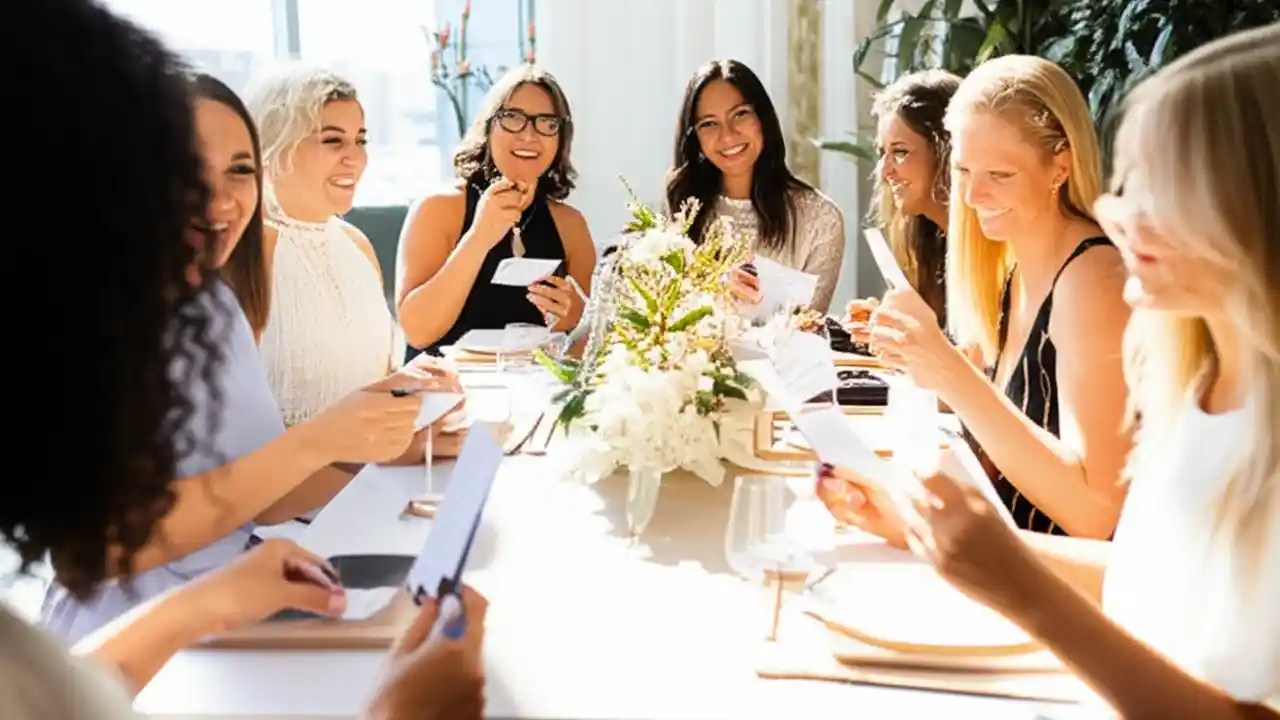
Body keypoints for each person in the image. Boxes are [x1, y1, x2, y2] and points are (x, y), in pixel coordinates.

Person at [6, 2, 484, 718]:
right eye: (186, 171)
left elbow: (257, 481)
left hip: (229, 603)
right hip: (142, 645)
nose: (224, 200)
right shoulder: (88, 323)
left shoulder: (212, 308)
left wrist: (378, 450)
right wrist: (325, 439)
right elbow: (103, 546)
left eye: (239, 170)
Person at [822, 23, 1279, 717]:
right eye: (1126, 185)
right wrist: (910, 523)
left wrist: (1021, 588)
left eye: (1159, 191)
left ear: (1251, 212)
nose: (1117, 216)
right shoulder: (1203, 392)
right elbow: (1137, 582)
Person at [831, 56, 1132, 537]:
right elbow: (1000, 433)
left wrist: (949, 372)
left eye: (1000, 175)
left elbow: (1098, 515)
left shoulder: (1091, 280)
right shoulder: (1015, 266)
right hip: (999, 559)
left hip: (1045, 590)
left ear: (1061, 165)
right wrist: (919, 353)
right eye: (965, 171)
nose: (972, 197)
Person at [242, 64, 410, 426]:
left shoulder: (358, 245)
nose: (356, 158)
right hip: (288, 477)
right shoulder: (252, 249)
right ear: (277, 145)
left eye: (360, 140)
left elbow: (375, 379)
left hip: (372, 463)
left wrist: (414, 386)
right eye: (333, 140)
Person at [396, 64, 595, 358]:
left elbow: (592, 343)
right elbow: (418, 331)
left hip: (537, 390)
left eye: (547, 123)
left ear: (560, 138)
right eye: (513, 118)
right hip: (447, 392)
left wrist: (576, 318)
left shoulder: (570, 225)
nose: (529, 135)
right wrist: (479, 236)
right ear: (488, 127)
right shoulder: (438, 209)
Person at [665, 59, 845, 314]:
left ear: (762, 117)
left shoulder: (820, 219)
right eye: (709, 123)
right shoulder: (676, 207)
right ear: (694, 138)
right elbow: (658, 319)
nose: (727, 135)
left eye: (740, 114)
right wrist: (713, 293)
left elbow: (808, 330)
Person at [845, 69, 960, 330]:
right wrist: (892, 325)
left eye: (900, 152)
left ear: (947, 151)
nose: (885, 173)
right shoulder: (930, 243)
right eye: (882, 152)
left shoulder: (992, 251)